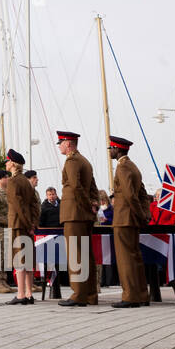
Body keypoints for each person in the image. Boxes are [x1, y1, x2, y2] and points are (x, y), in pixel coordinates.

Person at [57, 130, 100, 308]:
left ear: (68, 144)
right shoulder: (85, 161)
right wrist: (94, 203)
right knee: (86, 255)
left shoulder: (72, 161)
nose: (59, 146)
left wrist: (86, 204)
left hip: (74, 213)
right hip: (82, 214)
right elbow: (93, 186)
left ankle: (78, 294)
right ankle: (90, 294)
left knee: (76, 254)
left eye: (60, 143)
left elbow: (75, 186)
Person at [108, 137, 151, 308]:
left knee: (125, 259)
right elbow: (142, 193)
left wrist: (140, 215)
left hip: (124, 218)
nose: (109, 150)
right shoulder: (133, 166)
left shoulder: (122, 167)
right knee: (135, 258)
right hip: (131, 219)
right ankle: (141, 294)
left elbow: (129, 195)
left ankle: (130, 296)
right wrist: (144, 214)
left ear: (118, 150)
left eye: (111, 148)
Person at [4, 150, 38, 305]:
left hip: (19, 224)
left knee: (19, 261)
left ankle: (21, 294)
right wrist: (33, 224)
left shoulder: (13, 182)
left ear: (12, 163)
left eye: (7, 161)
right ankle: (29, 293)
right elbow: (34, 205)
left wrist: (26, 223)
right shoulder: (26, 182)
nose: (6, 163)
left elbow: (18, 206)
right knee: (28, 260)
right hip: (28, 225)